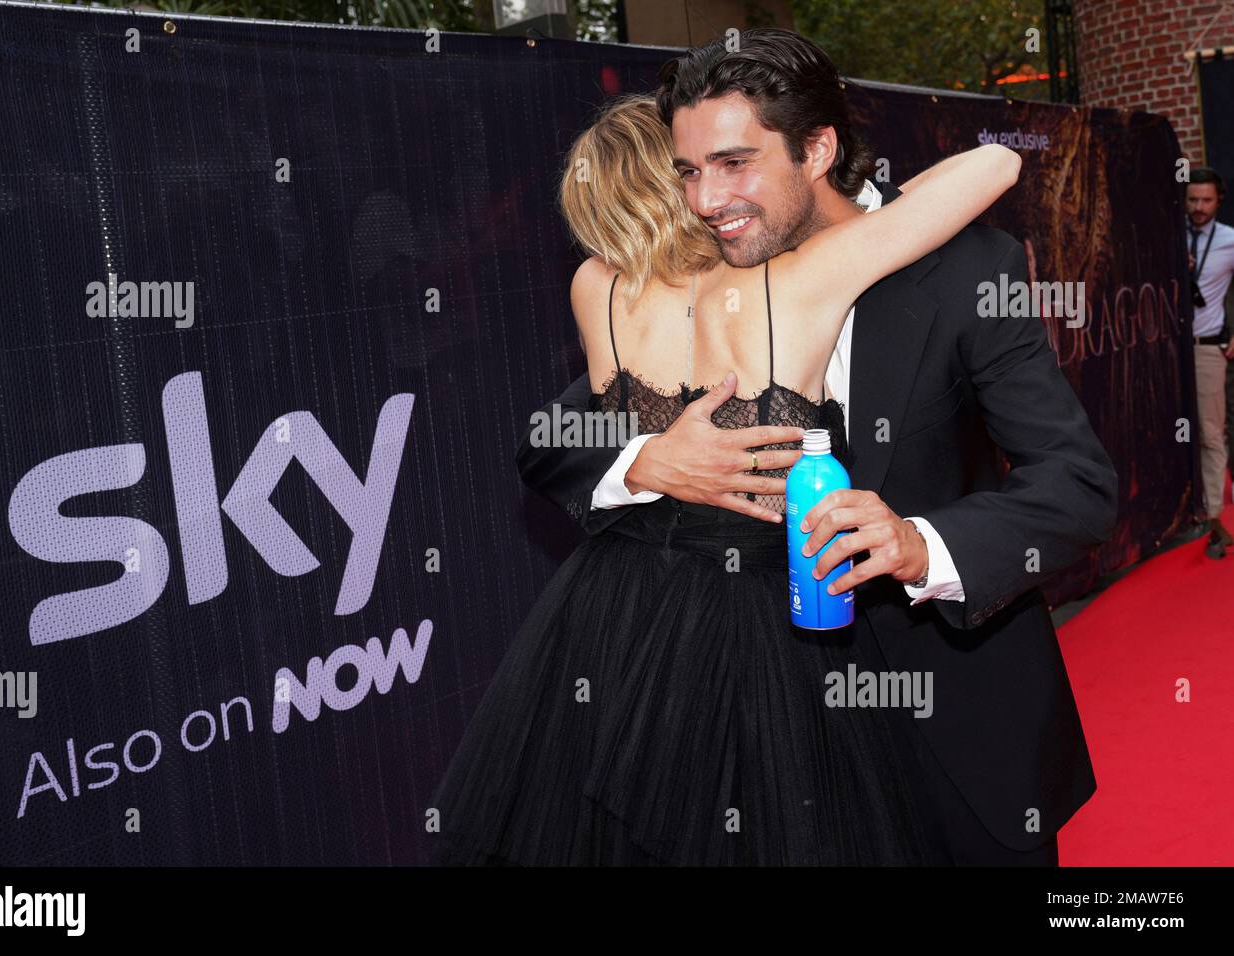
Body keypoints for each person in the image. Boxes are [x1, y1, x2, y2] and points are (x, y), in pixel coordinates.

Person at [516, 29, 1119, 865]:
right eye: (686, 171)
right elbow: (552, 441)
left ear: (818, 149)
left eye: (735, 163)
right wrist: (641, 461)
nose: (702, 200)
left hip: (946, 723)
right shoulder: (685, 286)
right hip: (748, 735)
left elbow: (1078, 486)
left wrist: (921, 546)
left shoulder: (960, 267)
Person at [427, 79, 1020, 864]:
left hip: (616, 600)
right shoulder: (800, 276)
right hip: (766, 607)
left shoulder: (593, 288)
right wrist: (856, 193)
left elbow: (606, 424)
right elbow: (997, 168)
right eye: (693, 169)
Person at [1184, 167, 1234, 558]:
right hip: (1164, 352)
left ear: (1219, 201)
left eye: (1206, 200)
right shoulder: (1169, 236)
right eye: (1192, 199)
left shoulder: (1230, 241)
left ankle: (1216, 520)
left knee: (1210, 433)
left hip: (1205, 350)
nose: (1198, 208)